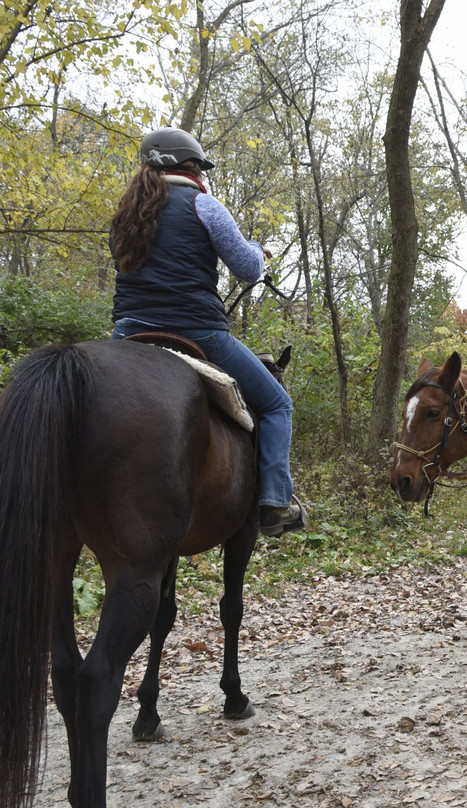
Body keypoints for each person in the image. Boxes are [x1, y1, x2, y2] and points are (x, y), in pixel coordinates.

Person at [110, 126, 306, 537]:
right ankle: (274, 503)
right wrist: (256, 248)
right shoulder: (205, 205)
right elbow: (249, 269)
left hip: (128, 334)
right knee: (277, 405)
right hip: (198, 332)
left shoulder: (125, 217)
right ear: (193, 166)